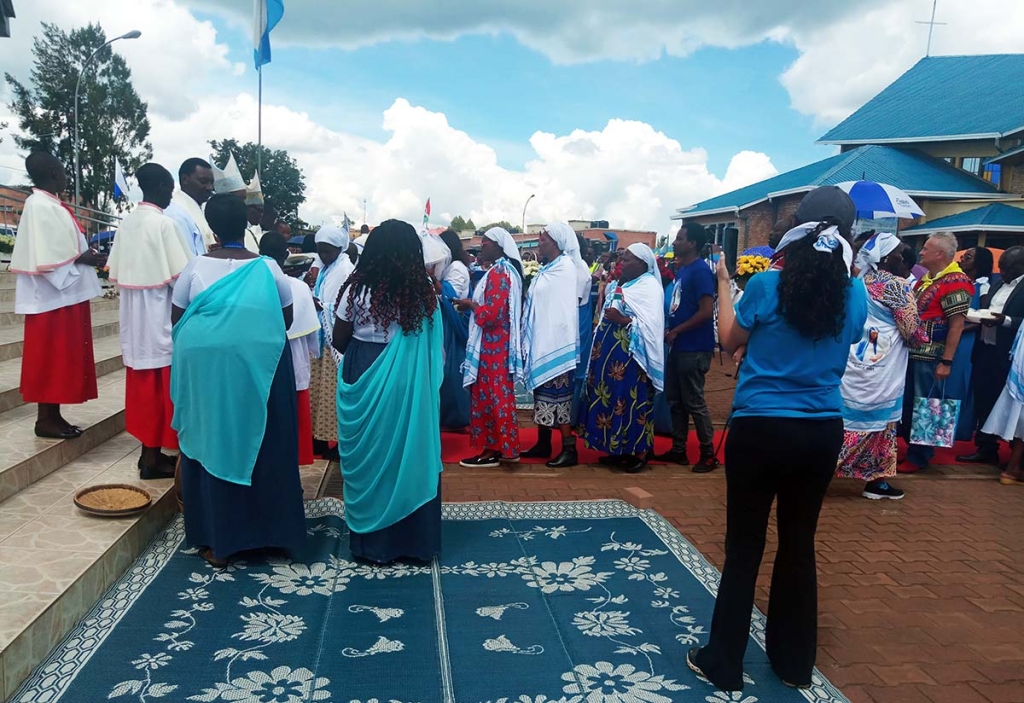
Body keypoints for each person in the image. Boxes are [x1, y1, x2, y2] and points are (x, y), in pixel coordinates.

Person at [686, 201, 867, 692]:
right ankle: (793, 663)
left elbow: (728, 340)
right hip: (820, 429)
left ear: (794, 229)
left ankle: (723, 662)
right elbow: (843, 342)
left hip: (761, 427)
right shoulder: (855, 292)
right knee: (799, 543)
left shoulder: (766, 285)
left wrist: (724, 283)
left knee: (744, 546)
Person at [170, 194, 305, 568]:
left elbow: (177, 318)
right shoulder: (268, 268)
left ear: (211, 228)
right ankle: (275, 536)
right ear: (246, 224)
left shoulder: (194, 266)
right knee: (266, 445)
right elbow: (286, 319)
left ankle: (219, 541)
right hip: (260, 371)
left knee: (214, 443)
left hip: (208, 375)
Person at [333, 219, 444, 564]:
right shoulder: (423, 290)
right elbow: (432, 345)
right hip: (408, 382)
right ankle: (413, 542)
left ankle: (372, 546)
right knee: (406, 454)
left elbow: (339, 339)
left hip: (364, 368)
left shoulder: (357, 289)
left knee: (371, 456)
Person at [106, 163, 193, 479]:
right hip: (160, 319)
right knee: (163, 391)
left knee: (145, 390)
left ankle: (149, 455)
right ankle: (155, 459)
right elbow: (183, 279)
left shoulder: (127, 223)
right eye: (170, 188)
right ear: (159, 186)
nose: (171, 194)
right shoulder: (163, 225)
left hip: (134, 322)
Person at [11, 152, 106, 439]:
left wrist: (85, 256)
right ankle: (45, 420)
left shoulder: (50, 204)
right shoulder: (39, 205)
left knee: (61, 358)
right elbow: (49, 253)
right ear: (54, 171)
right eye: (63, 170)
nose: (66, 176)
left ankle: (54, 416)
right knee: (51, 358)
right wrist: (84, 257)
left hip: (64, 295)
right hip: (51, 296)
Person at [837, 233, 926, 500]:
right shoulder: (898, 286)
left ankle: (871, 479)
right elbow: (911, 331)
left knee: (845, 420)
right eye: (900, 252)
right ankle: (875, 481)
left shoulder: (860, 281)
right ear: (887, 258)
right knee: (880, 425)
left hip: (856, 362)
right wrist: (923, 337)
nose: (905, 257)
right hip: (883, 366)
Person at [579, 244, 665, 473]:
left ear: (642, 263)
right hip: (612, 357)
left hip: (633, 359)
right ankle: (618, 449)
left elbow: (652, 325)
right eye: (622, 259)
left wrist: (622, 320)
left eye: (627, 260)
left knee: (632, 401)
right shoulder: (627, 284)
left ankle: (640, 452)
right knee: (613, 401)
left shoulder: (649, 287)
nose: (622, 263)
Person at [899, 233, 974, 473]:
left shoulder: (956, 281)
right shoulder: (928, 279)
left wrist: (947, 361)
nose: (921, 252)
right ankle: (915, 449)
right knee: (914, 402)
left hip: (932, 354)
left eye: (926, 249)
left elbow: (957, 325)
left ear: (939, 254)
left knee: (928, 402)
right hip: (914, 351)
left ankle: (921, 454)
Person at [522, 222, 589, 468]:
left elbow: (560, 309)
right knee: (543, 394)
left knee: (560, 398)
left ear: (557, 242)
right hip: (545, 337)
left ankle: (569, 449)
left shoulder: (565, 268)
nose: (539, 241)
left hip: (557, 341)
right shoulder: (549, 268)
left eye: (544, 238)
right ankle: (543, 442)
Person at [456, 227, 524, 468]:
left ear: (498, 246)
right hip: (497, 345)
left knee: (491, 398)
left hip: (492, 348)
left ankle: (494, 449)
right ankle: (501, 447)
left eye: (486, 243)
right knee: (497, 397)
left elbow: (491, 316)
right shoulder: (503, 271)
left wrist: (472, 306)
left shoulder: (499, 274)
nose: (481, 246)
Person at [656, 223, 718, 472]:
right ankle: (679, 449)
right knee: (675, 400)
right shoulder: (684, 271)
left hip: (693, 346)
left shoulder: (701, 272)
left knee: (693, 400)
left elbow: (705, 311)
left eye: (679, 239)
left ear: (692, 243)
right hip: (679, 344)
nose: (674, 243)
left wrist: (677, 330)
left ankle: (708, 453)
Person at [260, 231, 321, 466]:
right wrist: (314, 351)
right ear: (286, 254)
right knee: (292, 418)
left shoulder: (248, 280)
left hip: (261, 360)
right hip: (295, 360)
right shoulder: (297, 286)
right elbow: (309, 330)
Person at [960, 247, 1024, 464]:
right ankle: (986, 448)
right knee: (984, 399)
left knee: (1010, 404)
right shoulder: (997, 283)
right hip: (985, 349)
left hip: (1009, 355)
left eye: (1006, 268)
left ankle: (1016, 454)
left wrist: (1004, 320)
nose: (1002, 271)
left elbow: (1020, 321)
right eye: (1001, 266)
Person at [310, 224, 356, 461]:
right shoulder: (329, 267)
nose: (323, 256)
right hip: (321, 336)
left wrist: (321, 305)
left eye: (327, 251)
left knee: (331, 394)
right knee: (318, 393)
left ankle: (336, 441)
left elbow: (340, 306)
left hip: (333, 340)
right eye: (320, 251)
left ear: (339, 248)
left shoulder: (343, 269)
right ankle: (318, 438)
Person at [438, 229, 472, 430]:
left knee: (453, 369)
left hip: (454, 323)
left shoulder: (457, 268)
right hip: (447, 320)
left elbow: (454, 296)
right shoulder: (451, 267)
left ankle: (456, 417)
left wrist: (436, 283)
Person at [165, 158, 215, 255]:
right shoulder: (176, 213)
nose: (210, 187)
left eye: (211, 183)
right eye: (203, 181)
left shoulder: (205, 208)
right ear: (185, 180)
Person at [245, 171, 266, 251]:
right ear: (248, 209)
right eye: (259, 210)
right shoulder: (238, 229)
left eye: (262, 211)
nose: (261, 215)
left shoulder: (257, 229)